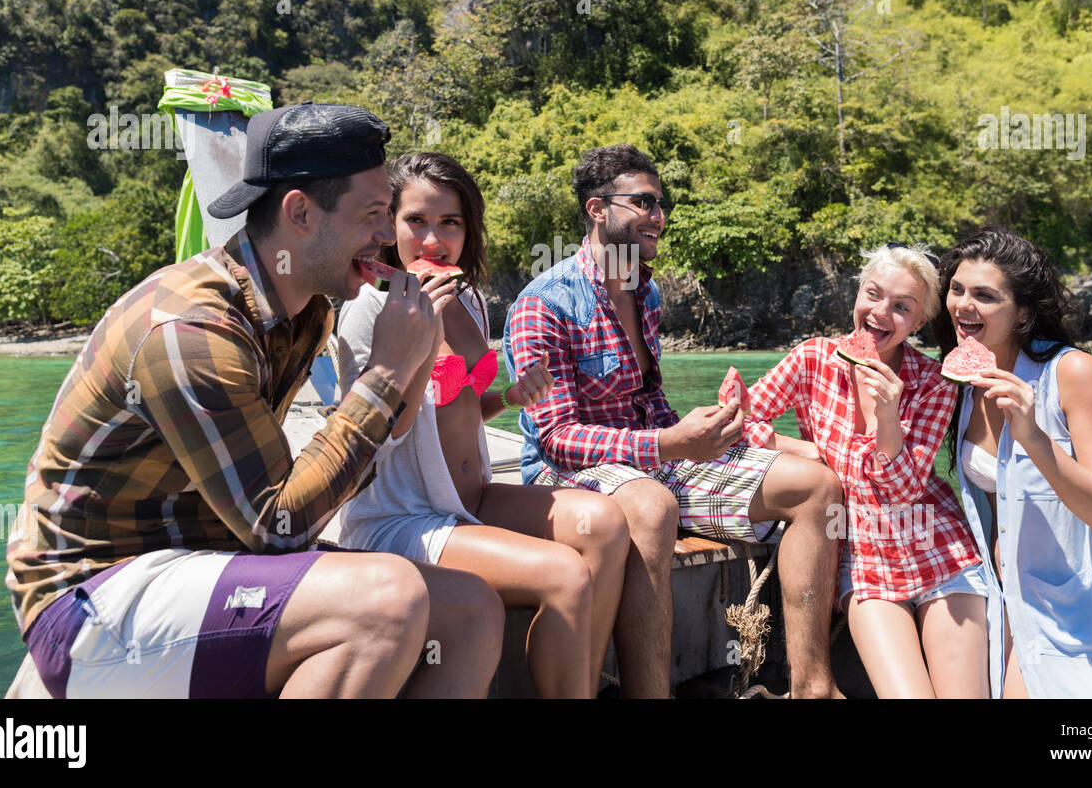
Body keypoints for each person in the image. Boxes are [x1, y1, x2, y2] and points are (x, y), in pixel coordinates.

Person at [5, 104, 505, 698]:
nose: (386, 235)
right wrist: (386, 372)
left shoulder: (304, 311)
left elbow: (304, 487)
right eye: (374, 214)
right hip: (92, 601)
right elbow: (280, 526)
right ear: (299, 211)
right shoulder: (191, 333)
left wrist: (416, 348)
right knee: (387, 600)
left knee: (470, 606)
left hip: (203, 556)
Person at [503, 143, 845, 699]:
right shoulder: (544, 304)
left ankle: (814, 687)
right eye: (643, 202)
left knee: (815, 487)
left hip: (654, 457)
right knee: (651, 504)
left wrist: (706, 431)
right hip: (568, 478)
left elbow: (650, 404)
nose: (658, 216)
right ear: (597, 209)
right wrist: (668, 443)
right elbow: (557, 439)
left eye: (663, 204)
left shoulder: (646, 290)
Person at [326, 152, 629, 698]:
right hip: (403, 518)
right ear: (389, 226)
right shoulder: (369, 311)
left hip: (472, 498)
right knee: (565, 574)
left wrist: (509, 397)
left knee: (605, 524)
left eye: (450, 223)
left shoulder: (467, 298)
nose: (432, 240)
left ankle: (579, 683)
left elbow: (458, 409)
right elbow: (375, 439)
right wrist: (420, 335)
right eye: (416, 220)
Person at [934, 225, 1092, 698]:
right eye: (956, 289)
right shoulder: (966, 381)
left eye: (985, 295)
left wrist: (1032, 436)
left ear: (1025, 312)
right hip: (1017, 601)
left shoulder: (1073, 372)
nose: (963, 305)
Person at [740, 244, 988, 698]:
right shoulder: (812, 359)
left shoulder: (933, 383)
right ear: (857, 295)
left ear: (917, 323)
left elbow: (905, 490)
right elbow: (737, 419)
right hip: (866, 558)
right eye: (873, 295)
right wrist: (804, 449)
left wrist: (889, 419)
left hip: (940, 549)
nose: (880, 313)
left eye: (901, 308)